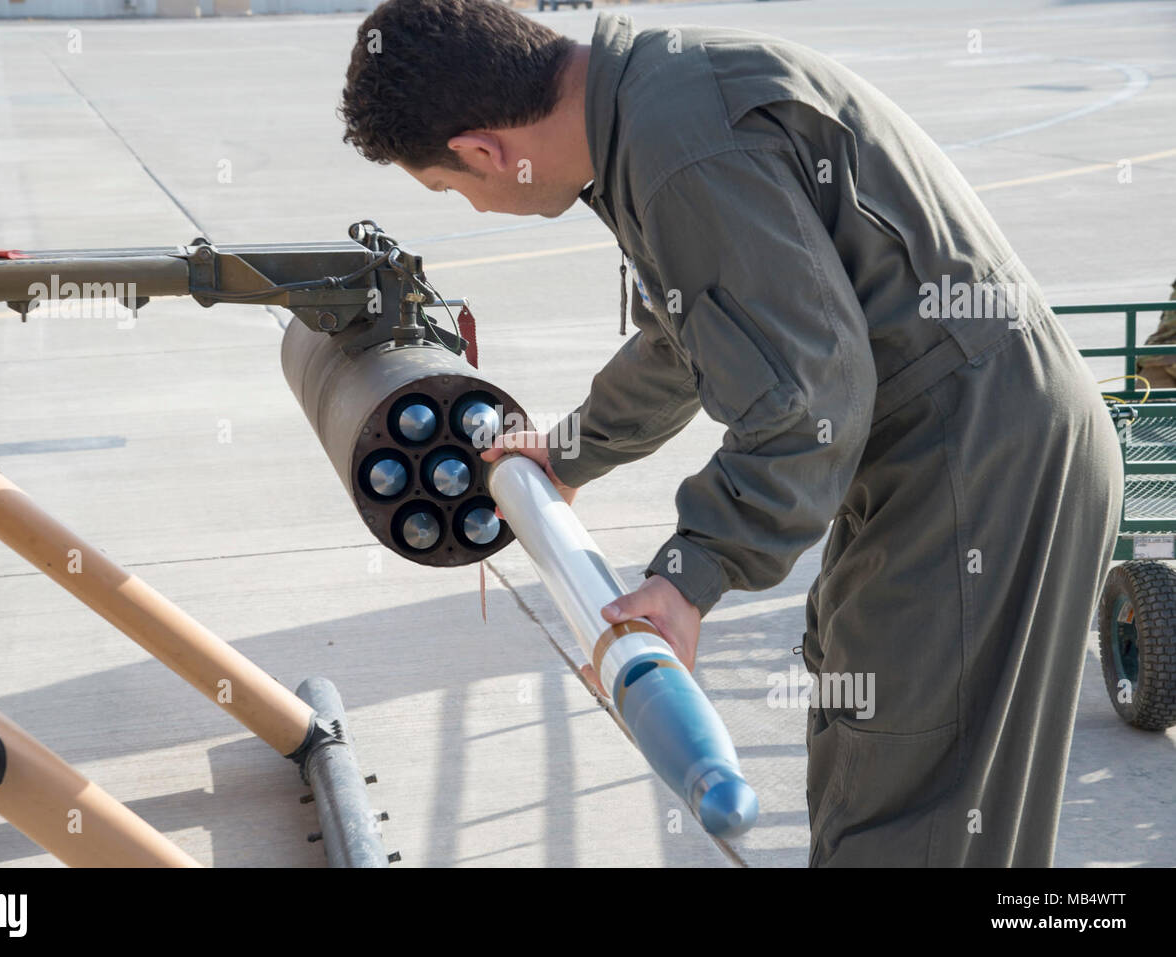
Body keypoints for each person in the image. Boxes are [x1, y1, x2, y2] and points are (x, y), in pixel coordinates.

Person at [338, 0, 1124, 866]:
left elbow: (808, 391)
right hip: (985, 442)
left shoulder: (680, 153)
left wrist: (691, 571)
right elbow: (693, 334)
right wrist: (568, 453)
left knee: (907, 811)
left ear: (484, 151)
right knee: (939, 795)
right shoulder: (652, 95)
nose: (477, 208)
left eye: (454, 188)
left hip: (976, 464)